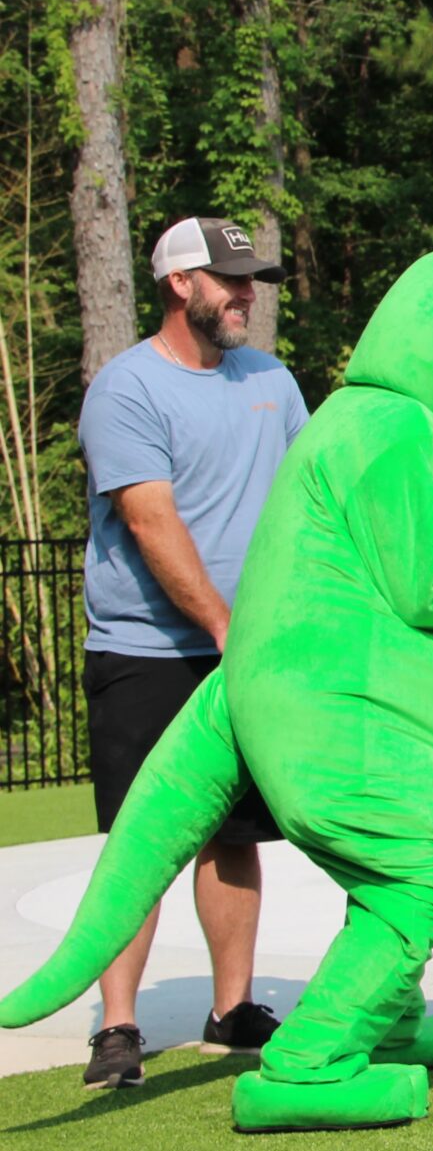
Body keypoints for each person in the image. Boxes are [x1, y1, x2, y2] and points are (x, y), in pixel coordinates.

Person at [75, 216, 304, 1089]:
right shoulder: (127, 389)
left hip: (245, 649)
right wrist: (220, 623)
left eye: (252, 280)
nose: (247, 294)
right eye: (231, 279)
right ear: (180, 283)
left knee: (233, 835)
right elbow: (149, 520)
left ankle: (231, 1009)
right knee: (140, 843)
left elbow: (307, 496)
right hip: (146, 651)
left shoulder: (271, 381)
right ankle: (118, 1026)